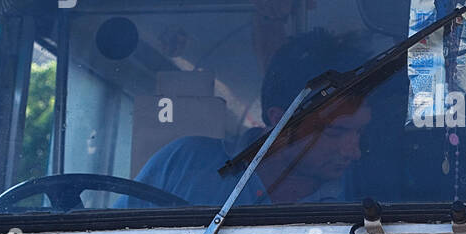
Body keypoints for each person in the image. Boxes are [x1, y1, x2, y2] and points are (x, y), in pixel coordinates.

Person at [131, 29, 371, 206]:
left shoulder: (372, 195)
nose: (354, 152)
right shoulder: (183, 162)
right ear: (281, 121)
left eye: (359, 132)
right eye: (335, 132)